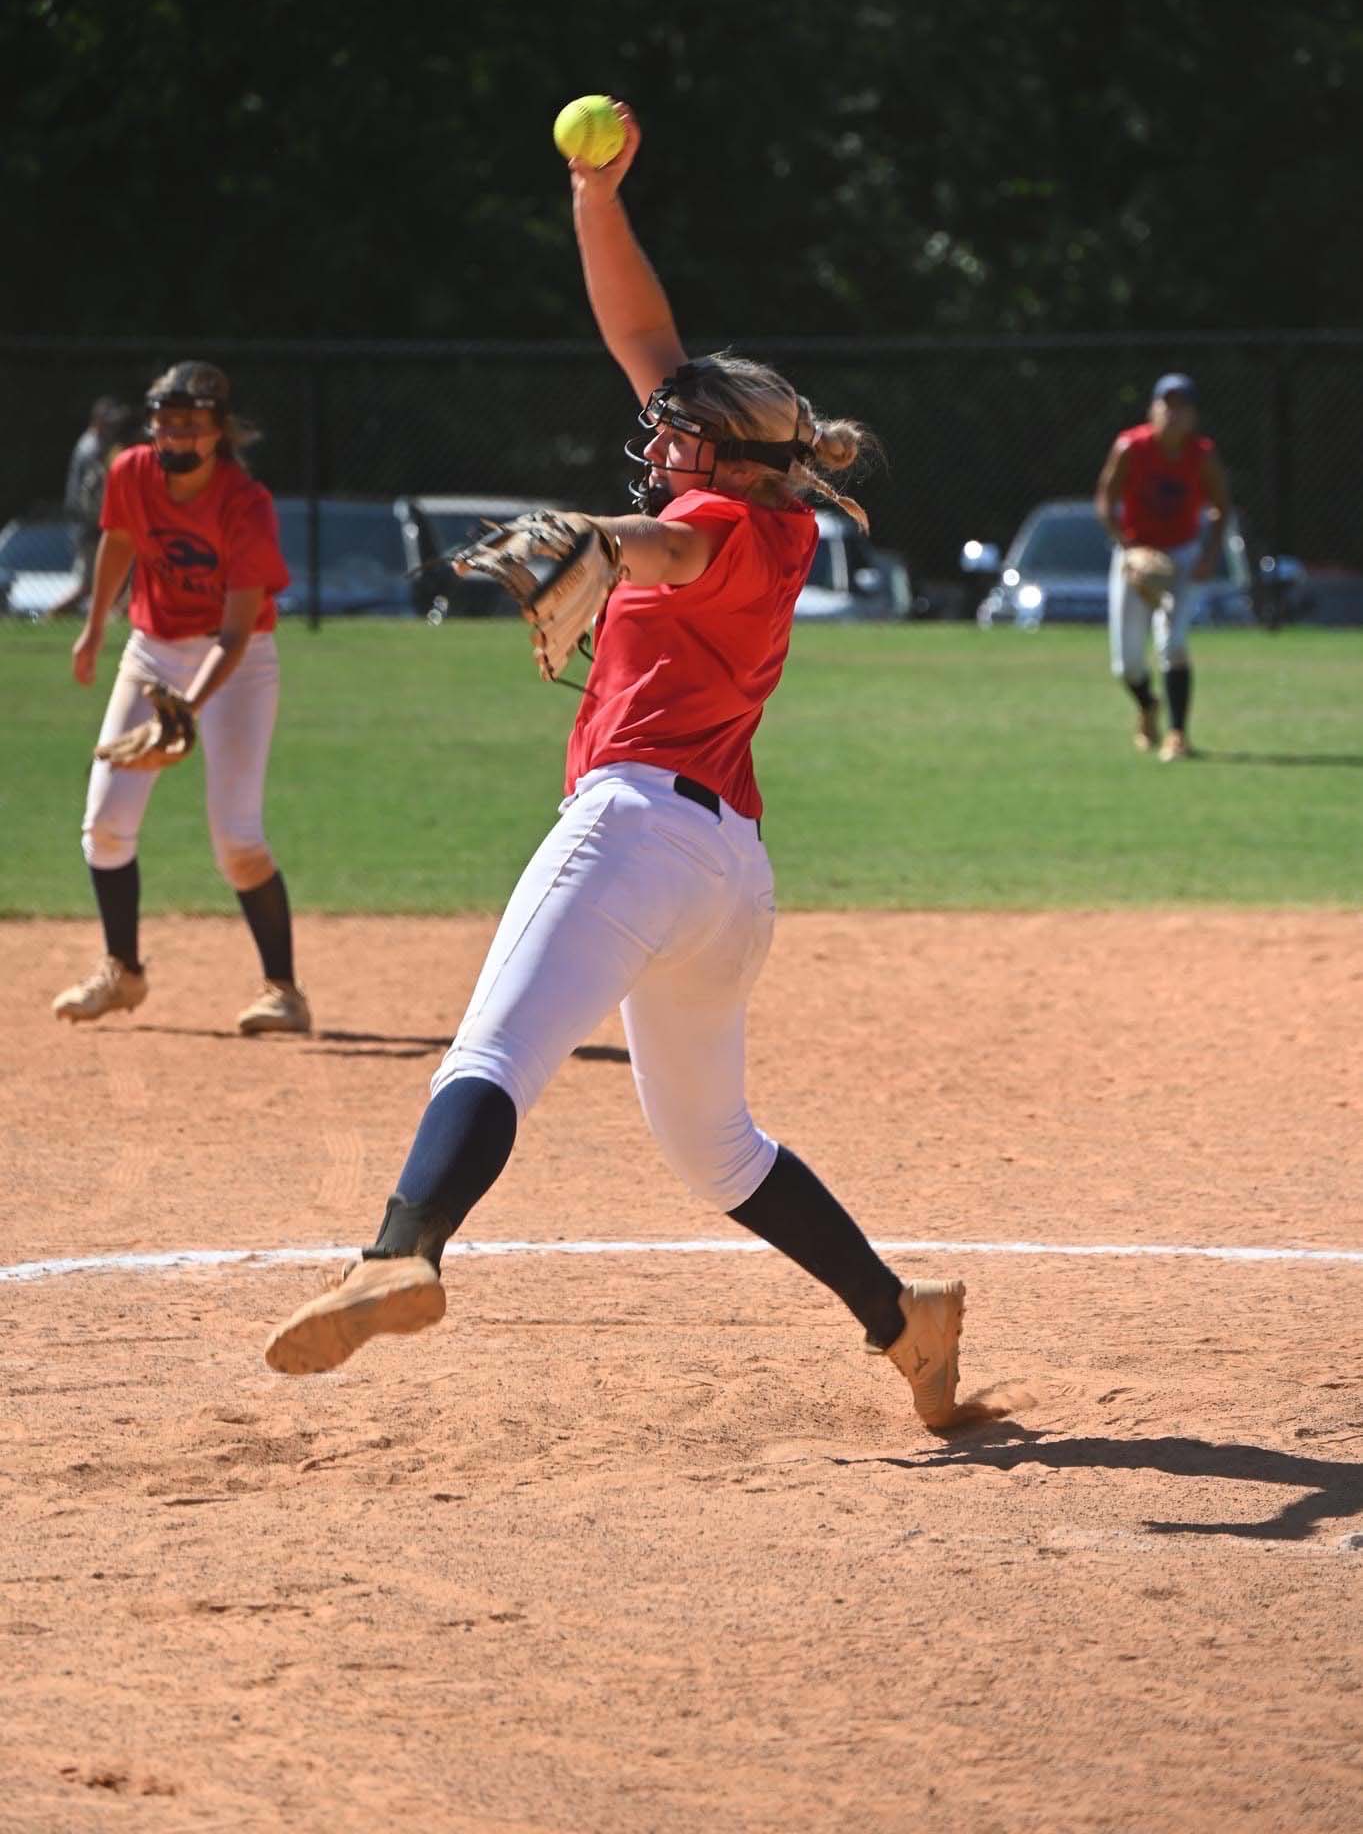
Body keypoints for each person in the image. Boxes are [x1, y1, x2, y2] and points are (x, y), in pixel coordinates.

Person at [263, 104, 1018, 1435]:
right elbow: (641, 341)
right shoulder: (753, 496)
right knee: (714, 1150)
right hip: (726, 876)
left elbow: (665, 545)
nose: (656, 440)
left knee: (493, 1048)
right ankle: (905, 1323)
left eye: (677, 438)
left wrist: (605, 538)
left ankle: (398, 1250)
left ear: (723, 461)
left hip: (634, 834)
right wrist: (591, 196)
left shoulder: (717, 518)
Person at [52, 361, 311, 1036]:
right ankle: (122, 972)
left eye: (190, 425)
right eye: (164, 422)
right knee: (104, 824)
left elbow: (233, 632)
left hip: (238, 662)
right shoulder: (131, 470)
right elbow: (119, 540)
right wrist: (92, 627)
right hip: (152, 648)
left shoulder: (243, 503)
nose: (173, 437)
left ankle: (283, 991)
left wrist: (183, 712)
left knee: (237, 838)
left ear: (218, 432)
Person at [1095, 372, 1232, 761]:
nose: (1173, 414)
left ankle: (1177, 735)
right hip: (1137, 552)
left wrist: (1208, 555)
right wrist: (1127, 549)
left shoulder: (1201, 454)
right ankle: (1147, 705)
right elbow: (1106, 499)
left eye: (1182, 407)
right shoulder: (1131, 447)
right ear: (1152, 409)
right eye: (1166, 405)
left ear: (1193, 416)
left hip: (1183, 555)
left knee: (1173, 645)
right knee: (1127, 665)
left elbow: (1222, 505)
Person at [48, 396, 128, 619]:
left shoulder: (100, 444)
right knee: (88, 585)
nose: (113, 426)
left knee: (106, 582)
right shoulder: (92, 447)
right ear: (97, 420)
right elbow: (92, 492)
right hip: (88, 523)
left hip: (91, 521)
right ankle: (48, 618)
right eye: (108, 421)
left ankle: (112, 618)